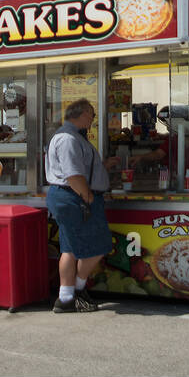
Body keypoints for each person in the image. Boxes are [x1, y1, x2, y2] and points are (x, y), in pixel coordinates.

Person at [45, 99, 116, 313]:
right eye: (92, 115)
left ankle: (66, 298)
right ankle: (76, 289)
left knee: (69, 248)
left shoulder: (73, 137)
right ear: (82, 113)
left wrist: (103, 168)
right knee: (100, 244)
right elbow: (74, 175)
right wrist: (88, 197)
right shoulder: (68, 138)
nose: (93, 119)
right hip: (75, 197)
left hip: (71, 197)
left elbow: (80, 169)